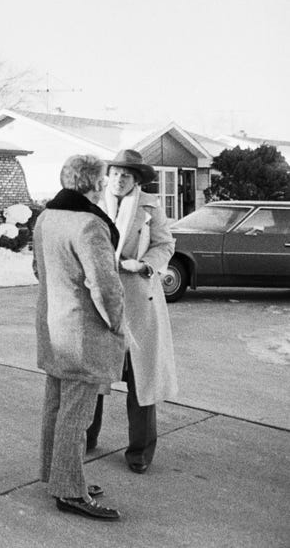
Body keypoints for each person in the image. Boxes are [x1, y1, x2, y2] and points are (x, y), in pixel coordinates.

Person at [34, 154, 125, 521]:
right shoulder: (89, 224)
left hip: (54, 326)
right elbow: (104, 286)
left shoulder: (47, 217)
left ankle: (55, 473)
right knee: (76, 414)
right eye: (103, 180)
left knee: (55, 405)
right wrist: (118, 324)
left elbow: (39, 269)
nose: (106, 186)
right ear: (93, 183)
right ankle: (70, 491)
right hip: (83, 333)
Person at [85, 149, 178, 474]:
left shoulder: (150, 206)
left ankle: (140, 452)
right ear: (108, 175)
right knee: (94, 373)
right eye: (115, 173)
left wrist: (144, 265)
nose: (119, 179)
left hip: (139, 300)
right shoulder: (93, 203)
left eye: (127, 174)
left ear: (137, 179)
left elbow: (166, 244)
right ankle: (85, 438)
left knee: (141, 377)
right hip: (101, 298)